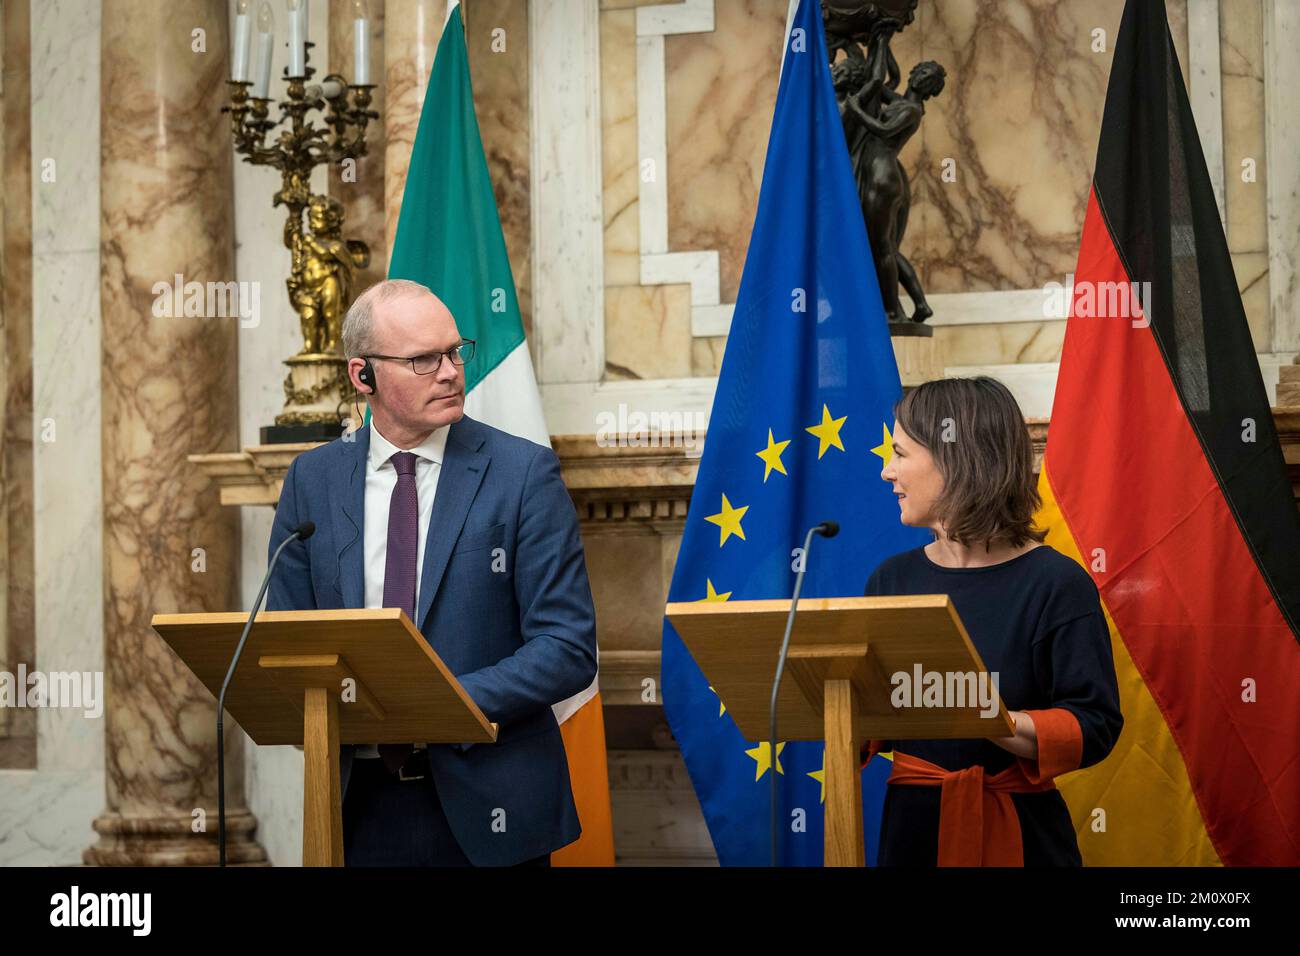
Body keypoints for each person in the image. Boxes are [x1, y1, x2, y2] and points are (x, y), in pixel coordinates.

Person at [267, 278, 597, 866]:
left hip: (494, 806)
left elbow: (567, 647)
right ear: (362, 376)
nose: (450, 371)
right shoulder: (311, 482)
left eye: (455, 352)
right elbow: (287, 640)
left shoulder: (523, 474)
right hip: (357, 805)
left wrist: (432, 702)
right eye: (423, 360)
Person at [863, 376, 1123, 865]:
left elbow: (1095, 726)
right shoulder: (890, 579)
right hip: (911, 833)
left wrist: (992, 719)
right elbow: (873, 715)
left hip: (1021, 838)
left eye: (900, 453)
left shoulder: (1056, 583)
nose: (886, 471)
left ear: (955, 460)